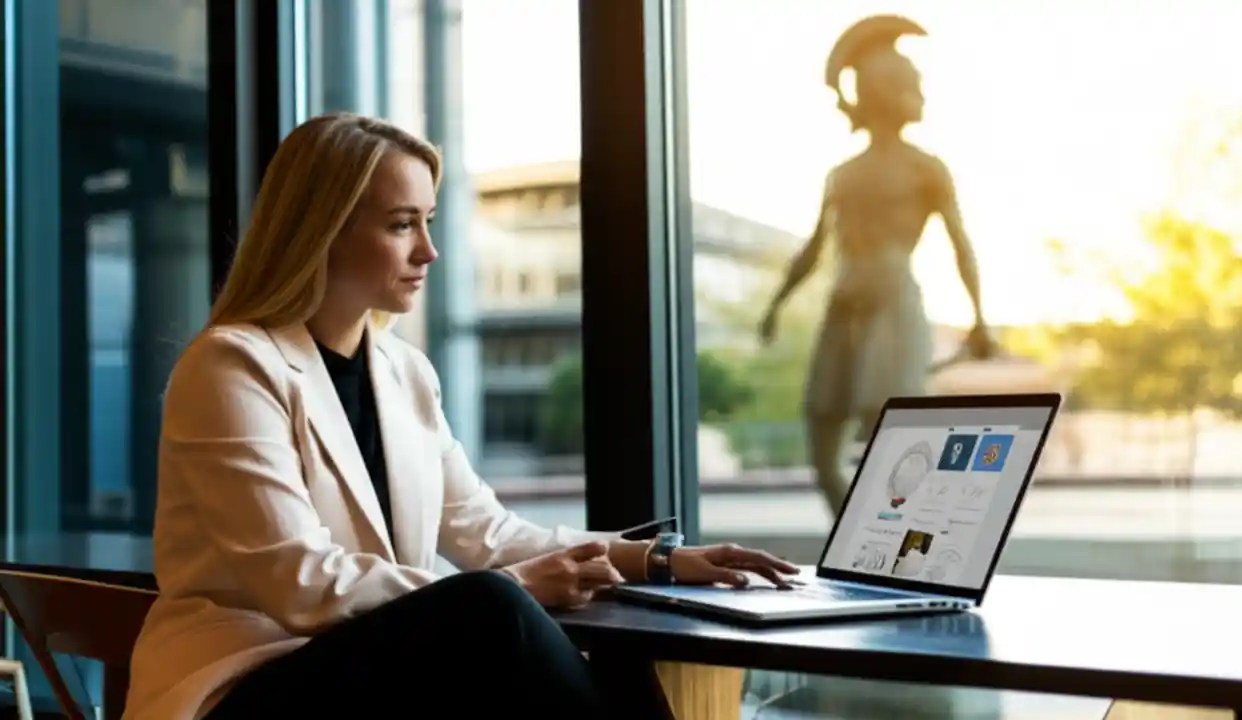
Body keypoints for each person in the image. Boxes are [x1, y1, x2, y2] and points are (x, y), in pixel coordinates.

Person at [123, 112, 799, 720]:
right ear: (321, 230)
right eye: (400, 224)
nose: (428, 251)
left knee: (558, 641)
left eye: (428, 221)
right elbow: (301, 581)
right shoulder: (232, 367)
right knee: (491, 610)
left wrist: (658, 560)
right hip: (247, 686)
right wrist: (506, 587)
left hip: (370, 675)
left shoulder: (404, 373)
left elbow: (487, 531)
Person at [759, 15, 994, 517]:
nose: (922, 93)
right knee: (823, 436)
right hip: (844, 306)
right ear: (886, 93)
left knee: (888, 434)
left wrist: (980, 316)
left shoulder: (926, 168)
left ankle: (891, 548)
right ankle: (858, 544)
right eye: (913, 84)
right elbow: (814, 248)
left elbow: (961, 246)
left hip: (893, 301)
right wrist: (776, 305)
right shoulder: (842, 174)